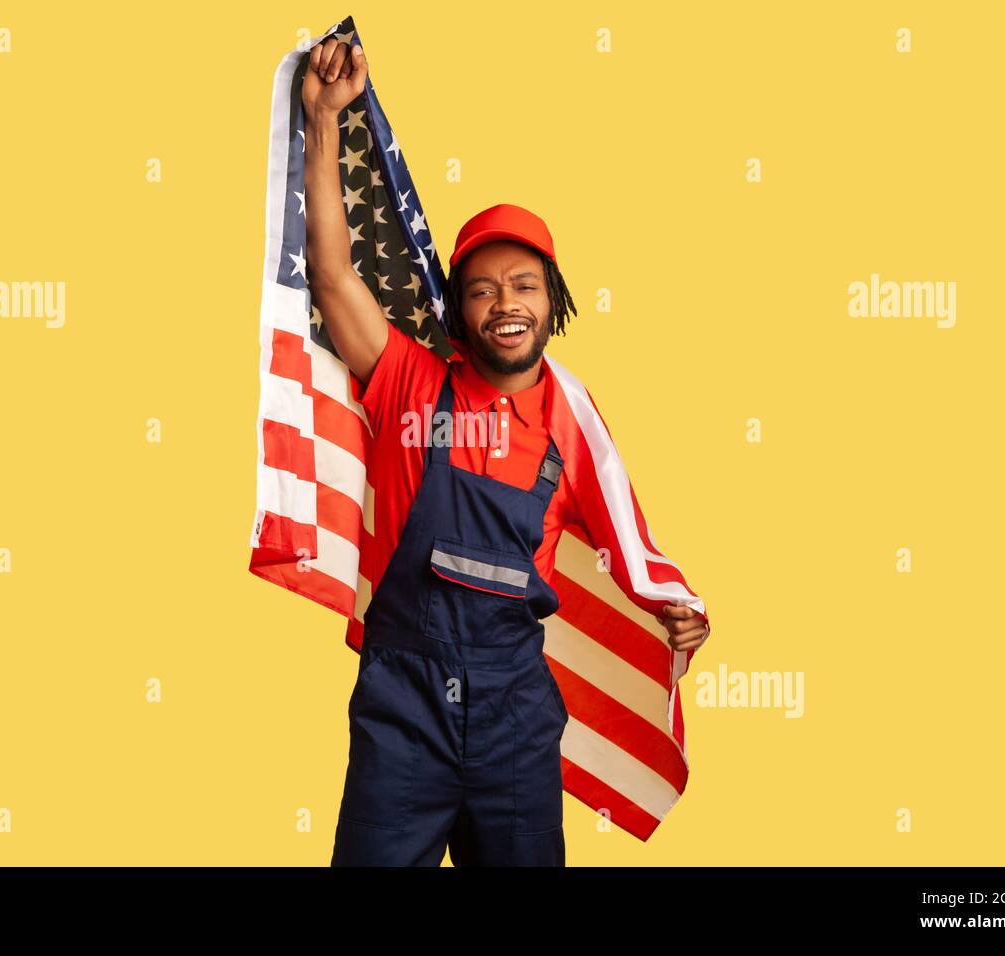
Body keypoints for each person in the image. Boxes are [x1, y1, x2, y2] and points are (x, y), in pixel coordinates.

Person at [300, 37, 709, 866]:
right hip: (401, 708)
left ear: (552, 303)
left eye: (524, 285)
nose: (504, 304)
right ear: (460, 310)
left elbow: (631, 543)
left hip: (514, 723)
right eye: (482, 289)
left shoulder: (573, 420)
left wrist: (675, 607)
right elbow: (335, 274)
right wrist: (321, 121)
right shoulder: (408, 381)